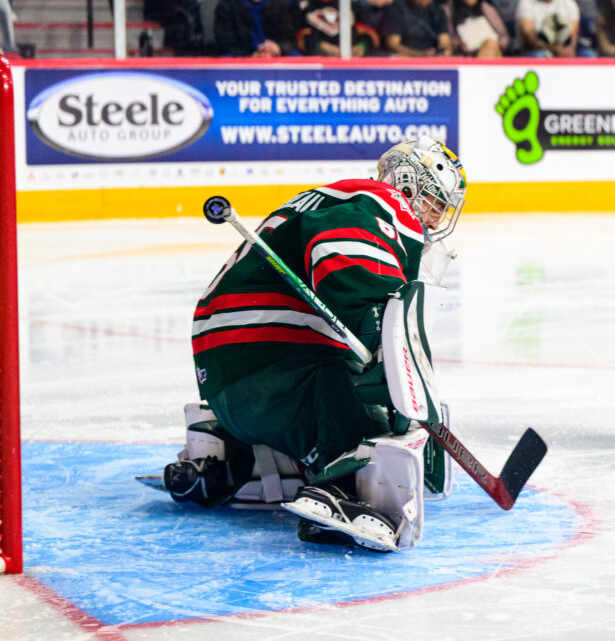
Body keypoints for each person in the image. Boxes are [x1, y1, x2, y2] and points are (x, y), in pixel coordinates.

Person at [165, 137, 468, 550]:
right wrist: (382, 338)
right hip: (276, 370)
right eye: (434, 201)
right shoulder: (380, 200)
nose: (434, 219)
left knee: (328, 377)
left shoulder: (327, 200)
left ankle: (231, 461)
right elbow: (344, 256)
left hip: (227, 380)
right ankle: (338, 489)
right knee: (362, 417)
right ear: (407, 185)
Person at [515, 0, 584, 58]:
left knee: (588, 55)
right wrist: (556, 50)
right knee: (541, 56)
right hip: (535, 52)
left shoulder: (568, 2)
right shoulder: (526, 1)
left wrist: (567, 50)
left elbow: (573, 36)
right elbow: (530, 40)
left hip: (564, 51)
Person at [386, 0, 453, 57]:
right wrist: (420, 55)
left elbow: (445, 41)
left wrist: (444, 52)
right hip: (404, 58)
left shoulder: (438, 10)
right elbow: (392, 44)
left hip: (432, 59)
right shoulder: (397, 8)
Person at [444, 0, 510, 58]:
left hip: (492, 50)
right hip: (464, 55)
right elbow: (448, 39)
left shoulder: (486, 8)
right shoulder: (450, 10)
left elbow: (503, 36)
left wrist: (497, 45)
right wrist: (459, 44)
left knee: (490, 45)